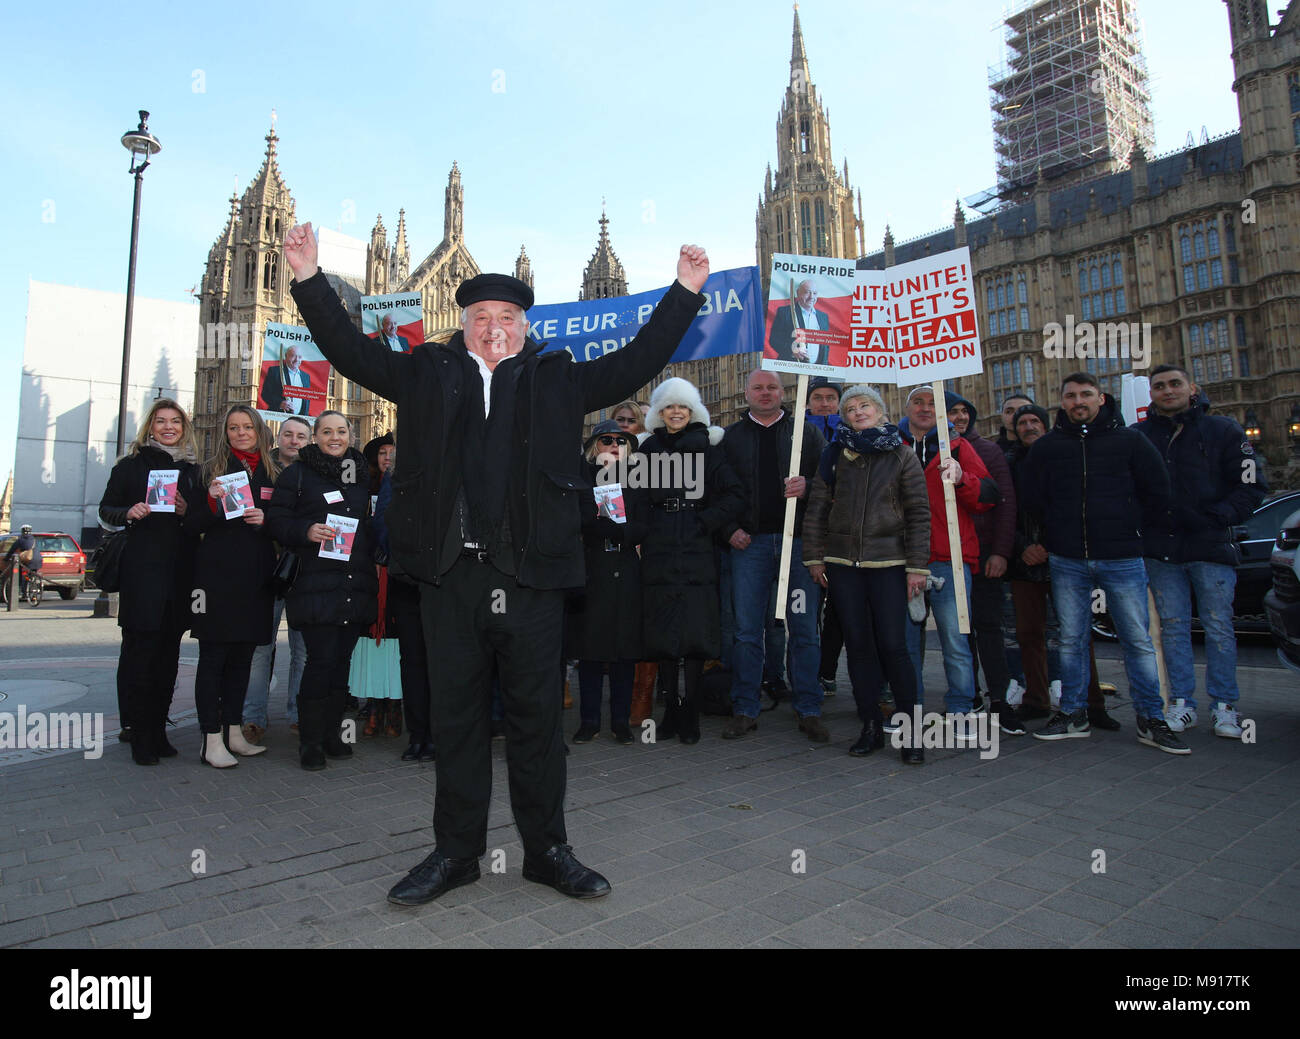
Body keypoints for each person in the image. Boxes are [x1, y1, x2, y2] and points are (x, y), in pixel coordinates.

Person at [285, 221, 710, 905]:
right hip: (451, 577)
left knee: (537, 720)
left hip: (532, 576)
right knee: (455, 719)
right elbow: (348, 351)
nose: (492, 328)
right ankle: (454, 853)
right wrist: (308, 278)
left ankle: (547, 850)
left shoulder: (556, 374)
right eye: (480, 317)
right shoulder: (427, 369)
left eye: (505, 317)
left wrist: (685, 292)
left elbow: (635, 363)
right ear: (463, 324)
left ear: (522, 325)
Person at [1020, 372, 1178, 751]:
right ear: (1063, 402)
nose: (1078, 401)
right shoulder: (1049, 447)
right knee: (1071, 640)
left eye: (1086, 395)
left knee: (1137, 642)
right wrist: (1053, 534)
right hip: (1068, 557)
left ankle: (1150, 717)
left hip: (1122, 556)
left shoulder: (1131, 442)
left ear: (1101, 399)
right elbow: (1031, 498)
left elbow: (1159, 492)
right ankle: (1073, 713)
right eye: (1071, 395)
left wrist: (1132, 530)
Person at [1137, 364, 1267, 740]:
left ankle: (1225, 706)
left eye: (1174, 384)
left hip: (1209, 545)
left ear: (1192, 388)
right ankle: (1181, 703)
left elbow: (1251, 483)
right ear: (1151, 394)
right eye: (1159, 386)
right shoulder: (1141, 436)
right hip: (1162, 548)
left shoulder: (1224, 430)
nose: (1167, 391)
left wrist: (1218, 517)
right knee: (1174, 629)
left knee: (1219, 627)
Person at [803, 386, 929, 761]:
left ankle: (911, 734)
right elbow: (818, 509)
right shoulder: (834, 455)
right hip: (843, 565)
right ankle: (870, 726)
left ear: (880, 411)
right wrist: (814, 557)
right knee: (858, 649)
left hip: (888, 563)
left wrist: (917, 567)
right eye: (851, 408)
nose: (858, 412)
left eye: (865, 406)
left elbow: (919, 513)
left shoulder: (903, 455)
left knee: (894, 647)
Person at [266, 410, 378, 770]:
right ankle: (311, 741)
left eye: (341, 431)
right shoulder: (297, 474)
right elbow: (276, 521)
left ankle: (332, 734)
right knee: (320, 661)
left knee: (341, 665)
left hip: (353, 580)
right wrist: (306, 531)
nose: (335, 437)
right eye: (327, 431)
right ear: (314, 436)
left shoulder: (362, 475)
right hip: (315, 581)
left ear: (350, 435)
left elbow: (369, 525)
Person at [720, 368, 826, 741]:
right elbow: (714, 494)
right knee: (748, 632)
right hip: (750, 546)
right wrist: (728, 529)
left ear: (784, 392)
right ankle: (745, 708)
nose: (765, 393)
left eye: (772, 387)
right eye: (758, 388)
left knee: (803, 631)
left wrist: (809, 486)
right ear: (745, 392)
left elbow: (831, 489)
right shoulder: (728, 438)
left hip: (797, 547)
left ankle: (809, 707)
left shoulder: (807, 434)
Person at [638, 379, 744, 745]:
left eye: (682, 406)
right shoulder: (648, 449)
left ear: (693, 411)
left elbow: (733, 495)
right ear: (659, 413)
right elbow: (633, 497)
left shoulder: (709, 448)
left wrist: (704, 522)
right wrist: (642, 532)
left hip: (697, 545)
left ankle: (691, 713)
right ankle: (671, 711)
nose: (676, 412)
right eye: (669, 407)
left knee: (696, 632)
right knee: (664, 631)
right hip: (659, 545)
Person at [98, 399, 201, 765]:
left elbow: (200, 524)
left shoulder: (192, 470)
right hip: (143, 575)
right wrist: (130, 511)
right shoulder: (131, 465)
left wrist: (187, 510)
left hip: (178, 577)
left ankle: (158, 728)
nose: (169, 427)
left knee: (168, 658)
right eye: (162, 422)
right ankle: (139, 732)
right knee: (140, 656)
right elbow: (106, 508)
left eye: (175, 422)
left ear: (184, 427)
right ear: (150, 426)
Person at [1005, 404, 1117, 728]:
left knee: (1076, 634)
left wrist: (1049, 545)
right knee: (1028, 633)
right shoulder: (1009, 462)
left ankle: (1092, 705)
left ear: (1046, 424)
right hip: (1024, 560)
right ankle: (1036, 700)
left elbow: (1079, 505)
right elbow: (1002, 510)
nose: (1028, 427)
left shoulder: (1067, 455)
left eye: (1034, 421)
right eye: (1022, 422)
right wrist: (1023, 546)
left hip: (1066, 556)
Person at [181, 405, 278, 769]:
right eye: (234, 428)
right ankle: (210, 739)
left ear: (258, 431)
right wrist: (211, 500)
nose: (240, 433)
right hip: (217, 575)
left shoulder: (272, 472)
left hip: (256, 576)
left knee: (243, 658)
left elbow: (282, 525)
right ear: (225, 433)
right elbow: (190, 526)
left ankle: (234, 731)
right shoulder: (207, 471)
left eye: (247, 427)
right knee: (214, 658)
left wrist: (268, 520)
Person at [897, 387, 997, 736]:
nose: (925, 409)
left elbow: (988, 496)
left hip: (947, 558)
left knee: (955, 640)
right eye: (918, 402)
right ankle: (910, 708)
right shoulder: (892, 446)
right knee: (907, 644)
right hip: (904, 559)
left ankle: (961, 708)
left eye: (931, 403)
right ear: (906, 407)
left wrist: (962, 479)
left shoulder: (958, 447)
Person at [565, 420, 649, 745]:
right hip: (592, 571)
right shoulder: (581, 479)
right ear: (594, 447)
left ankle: (620, 721)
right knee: (590, 652)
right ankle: (588, 721)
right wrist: (604, 528)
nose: (615, 445)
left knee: (624, 653)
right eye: (607, 440)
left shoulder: (638, 480)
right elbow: (579, 520)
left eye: (621, 440)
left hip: (626, 570)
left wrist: (621, 532)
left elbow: (646, 524)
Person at [945, 391, 1021, 733]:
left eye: (964, 412)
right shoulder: (926, 449)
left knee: (988, 628)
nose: (959, 418)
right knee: (957, 633)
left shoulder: (987, 450)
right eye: (952, 412)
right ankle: (968, 695)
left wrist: (1001, 552)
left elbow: (1004, 504)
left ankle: (999, 699)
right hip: (943, 556)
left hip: (982, 553)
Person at [242, 416, 311, 744]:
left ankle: (298, 715)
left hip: (302, 570)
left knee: (302, 649)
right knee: (260, 646)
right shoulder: (260, 472)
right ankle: (253, 716)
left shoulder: (313, 474)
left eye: (300, 436)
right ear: (278, 437)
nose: (294, 440)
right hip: (266, 569)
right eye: (288, 434)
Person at [372, 458, 435, 763]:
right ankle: (419, 735)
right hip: (408, 579)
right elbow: (382, 522)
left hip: (447, 582)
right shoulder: (396, 473)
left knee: (446, 661)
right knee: (412, 661)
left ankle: (441, 734)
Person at [351, 433, 404, 739]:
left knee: (396, 641)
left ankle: (394, 706)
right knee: (370, 643)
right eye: (382, 453)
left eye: (391, 452)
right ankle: (373, 705)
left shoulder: (397, 481)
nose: (387, 457)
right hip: (368, 572)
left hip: (394, 572)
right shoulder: (363, 485)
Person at [768, 279, 831, 364]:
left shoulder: (823, 317)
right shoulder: (785, 313)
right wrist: (792, 351)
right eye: (807, 292)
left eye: (814, 293)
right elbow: (774, 340)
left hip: (817, 372)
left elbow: (825, 346)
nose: (811, 297)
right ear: (798, 293)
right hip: (792, 369)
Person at [261, 344, 312, 415]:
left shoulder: (306, 376)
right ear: (286, 356)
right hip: (279, 416)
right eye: (293, 356)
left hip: (300, 419)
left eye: (299, 357)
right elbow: (265, 394)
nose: (297, 360)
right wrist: (280, 403)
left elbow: (306, 401)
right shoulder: (275, 371)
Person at [4, 525, 43, 597]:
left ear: (22, 532)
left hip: (28, 560)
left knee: (21, 573)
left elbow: (12, 550)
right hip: (38, 560)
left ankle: (22, 591)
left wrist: (6, 559)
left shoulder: (20, 540)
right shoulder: (34, 539)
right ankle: (35, 587)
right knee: (33, 573)